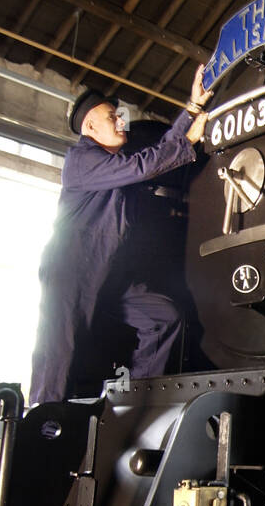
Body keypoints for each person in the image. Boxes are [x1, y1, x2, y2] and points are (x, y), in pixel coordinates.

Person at [29, 65, 211, 404]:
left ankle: (133, 403)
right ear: (90, 127)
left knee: (165, 318)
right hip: (72, 274)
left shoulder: (118, 163)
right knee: (59, 352)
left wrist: (193, 107)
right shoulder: (81, 160)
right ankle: (43, 422)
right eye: (113, 117)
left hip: (110, 276)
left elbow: (155, 156)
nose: (121, 121)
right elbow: (145, 165)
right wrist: (188, 139)